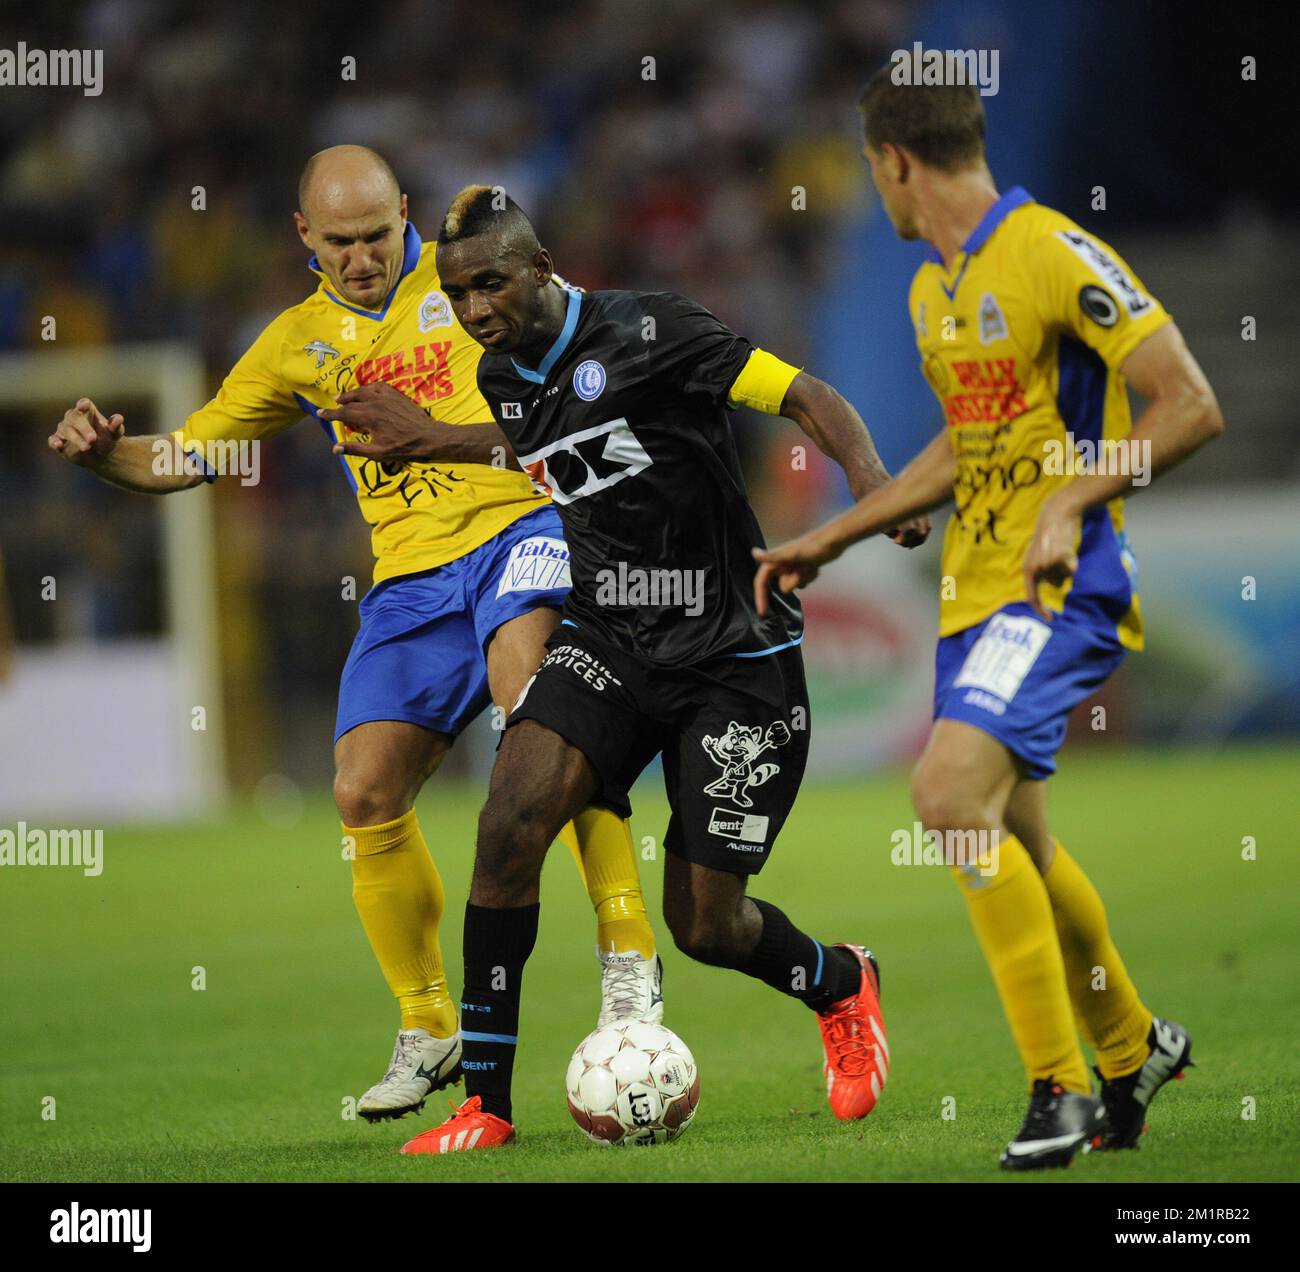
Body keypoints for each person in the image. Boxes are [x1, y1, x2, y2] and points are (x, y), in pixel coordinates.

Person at [46, 145, 664, 1124]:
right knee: (361, 787)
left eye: (379, 234)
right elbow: (195, 449)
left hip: (520, 526)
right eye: (342, 242)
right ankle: (429, 1025)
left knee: (541, 710)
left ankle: (629, 960)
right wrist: (108, 453)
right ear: (306, 238)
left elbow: (593, 344)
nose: (365, 256)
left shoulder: (467, 269)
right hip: (410, 584)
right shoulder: (295, 342)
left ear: (404, 214)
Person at [345, 184, 930, 1155]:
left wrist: (874, 486)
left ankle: (838, 981)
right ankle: (486, 1105)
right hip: (609, 641)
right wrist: (434, 439)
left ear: (541, 269)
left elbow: (804, 397)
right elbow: (540, 441)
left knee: (704, 924)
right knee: (508, 824)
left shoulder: (654, 327)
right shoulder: (501, 375)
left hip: (732, 654)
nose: (476, 309)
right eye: (456, 294)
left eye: (491, 284)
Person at [754, 73, 1223, 1169]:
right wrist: (837, 534)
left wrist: (1069, 499)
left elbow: (1189, 401)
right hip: (973, 594)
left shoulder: (1050, 250)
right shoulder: (933, 292)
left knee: (947, 792)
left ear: (895, 162)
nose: (877, 190)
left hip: (1057, 586)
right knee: (1018, 839)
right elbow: (967, 444)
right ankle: (1130, 1047)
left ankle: (1057, 1089)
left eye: (872, 171)